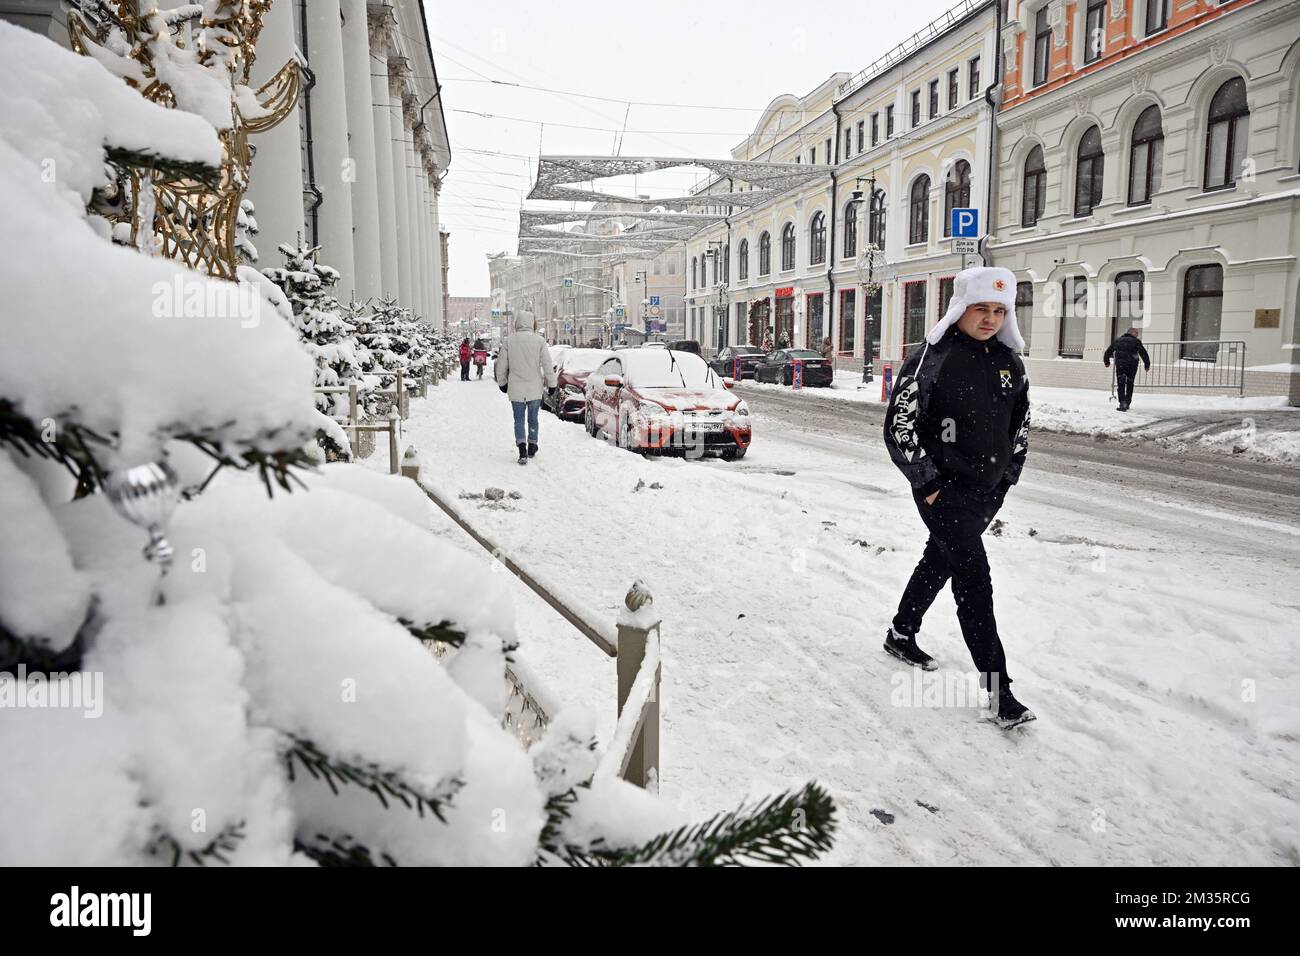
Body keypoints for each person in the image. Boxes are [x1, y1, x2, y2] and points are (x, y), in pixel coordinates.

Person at [882, 266, 1035, 729]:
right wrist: (927, 485)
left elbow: (1021, 427)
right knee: (975, 579)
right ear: (960, 309)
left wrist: (1006, 482)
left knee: (940, 560)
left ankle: (901, 632)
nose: (989, 319)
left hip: (986, 494)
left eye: (997, 310)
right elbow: (899, 426)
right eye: (980, 309)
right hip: (941, 491)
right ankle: (1000, 692)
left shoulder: (1010, 362)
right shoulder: (932, 357)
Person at [494, 311, 556, 464]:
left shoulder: (509, 341)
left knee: (519, 419)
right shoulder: (539, 341)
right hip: (534, 387)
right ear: (532, 323)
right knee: (533, 418)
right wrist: (552, 384)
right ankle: (532, 444)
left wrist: (502, 383)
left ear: (517, 323)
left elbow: (501, 365)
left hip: (516, 387)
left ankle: (522, 447)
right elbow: (548, 364)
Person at [1103, 326, 1151, 412]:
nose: (1137, 335)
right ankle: (1127, 402)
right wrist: (1147, 365)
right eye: (1136, 333)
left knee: (1120, 383)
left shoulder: (1118, 340)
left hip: (1120, 365)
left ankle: (1122, 403)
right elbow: (1143, 353)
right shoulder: (1136, 341)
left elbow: (1108, 351)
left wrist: (1107, 362)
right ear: (1132, 332)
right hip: (1132, 365)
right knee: (1130, 383)